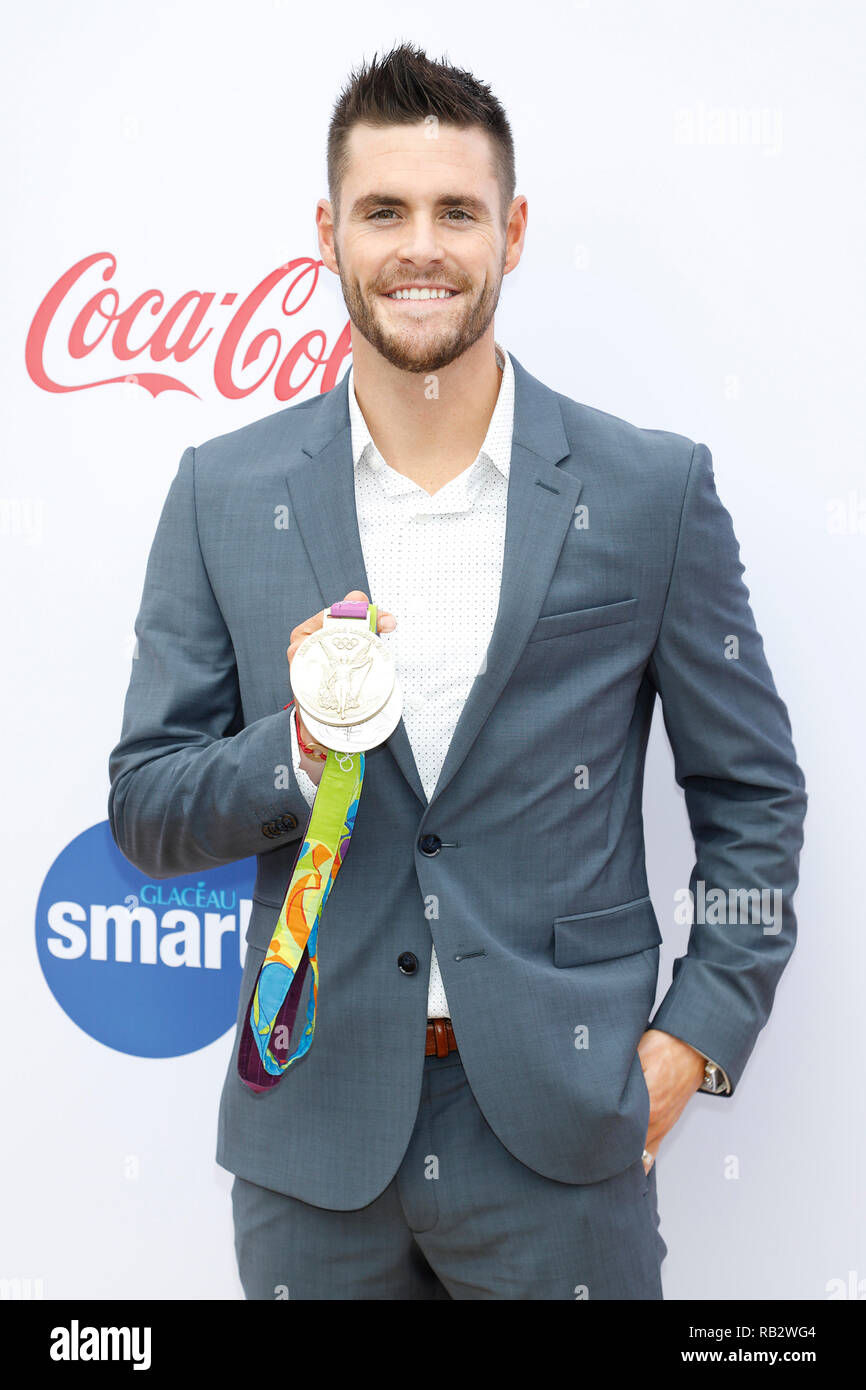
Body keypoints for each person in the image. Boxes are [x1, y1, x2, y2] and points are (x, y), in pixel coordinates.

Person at [108, 43, 807, 1300]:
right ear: (327, 232)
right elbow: (146, 807)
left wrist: (690, 1043)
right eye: (382, 211)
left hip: (561, 1141)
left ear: (512, 230)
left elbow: (752, 798)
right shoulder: (223, 492)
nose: (417, 248)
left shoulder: (649, 491)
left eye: (453, 211)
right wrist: (298, 753)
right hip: (310, 1140)